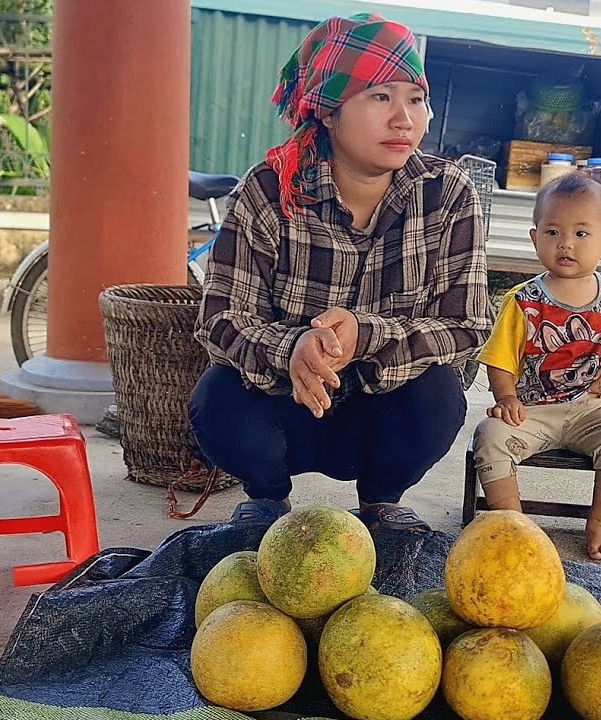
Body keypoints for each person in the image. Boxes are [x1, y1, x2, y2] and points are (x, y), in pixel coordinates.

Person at [189, 13, 492, 532]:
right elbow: (219, 317)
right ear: (328, 112)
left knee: (440, 394)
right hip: (287, 406)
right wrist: (295, 349)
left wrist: (366, 335)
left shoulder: (447, 193)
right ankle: (267, 499)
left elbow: (467, 324)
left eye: (414, 99)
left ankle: (381, 499)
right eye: (380, 98)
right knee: (217, 398)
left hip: (384, 405)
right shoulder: (269, 189)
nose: (404, 119)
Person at [471, 173, 601, 560]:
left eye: (581, 234)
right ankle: (515, 528)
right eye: (552, 232)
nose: (565, 243)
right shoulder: (523, 300)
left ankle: (600, 524)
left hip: (591, 410)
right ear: (535, 239)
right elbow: (500, 359)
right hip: (531, 411)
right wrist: (506, 397)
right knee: (489, 437)